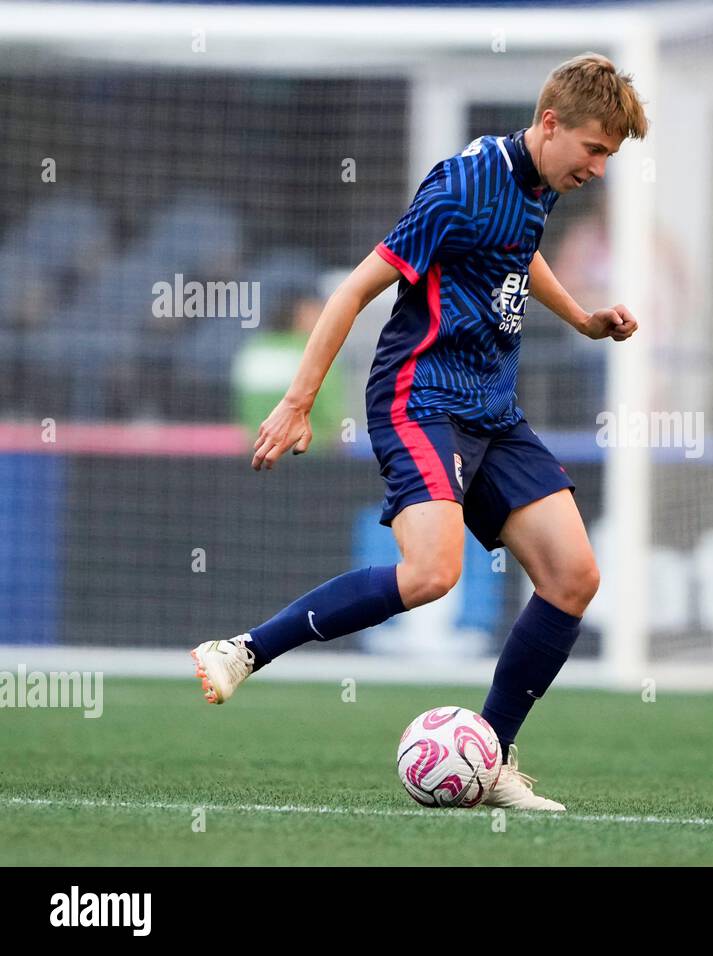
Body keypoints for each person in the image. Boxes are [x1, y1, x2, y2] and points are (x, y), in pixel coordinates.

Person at [190, 53, 648, 811]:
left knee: (574, 578)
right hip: (421, 397)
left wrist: (584, 320)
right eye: (595, 150)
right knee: (432, 574)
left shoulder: (536, 182)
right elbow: (355, 290)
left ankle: (490, 760)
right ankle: (242, 650)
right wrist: (300, 400)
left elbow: (516, 252)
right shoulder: (459, 187)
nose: (599, 168)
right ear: (550, 124)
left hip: (492, 409)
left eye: (610, 156)